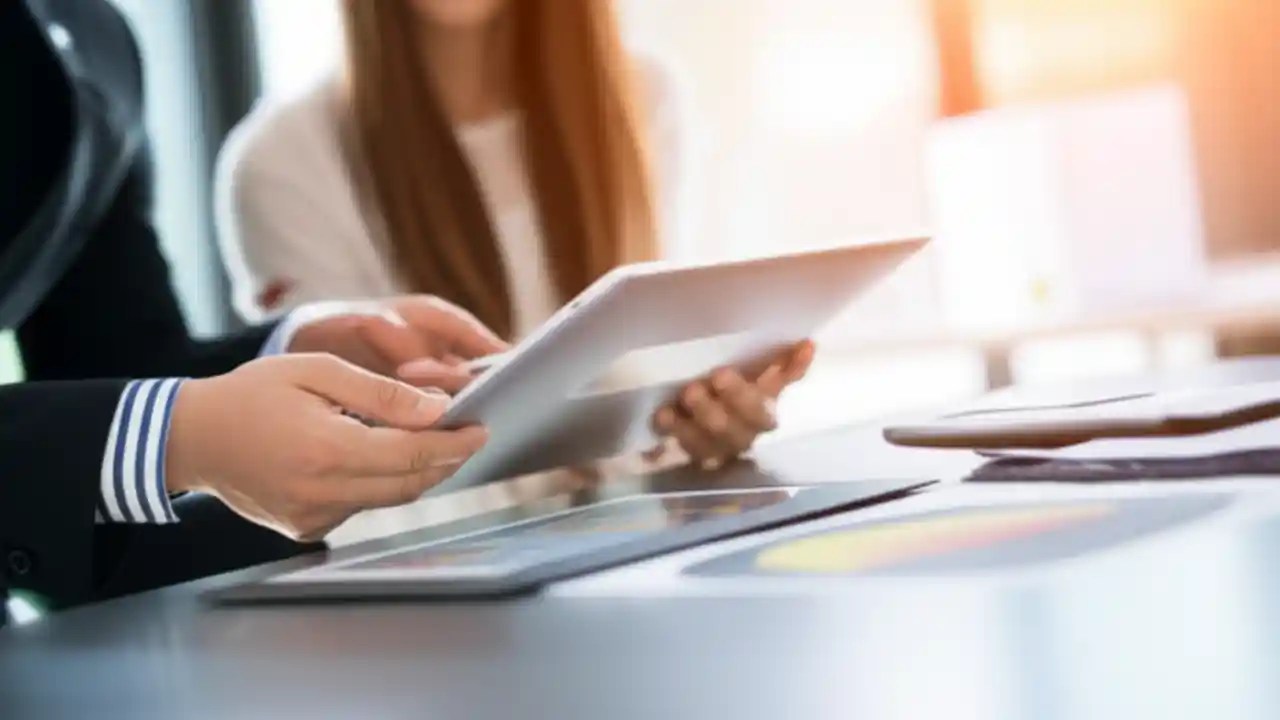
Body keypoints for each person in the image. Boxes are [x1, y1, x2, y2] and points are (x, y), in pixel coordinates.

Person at [0, 0, 512, 622]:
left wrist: (304, 345)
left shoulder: (92, 35)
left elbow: (119, 368)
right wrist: (177, 435)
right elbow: (145, 423)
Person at [217, 0, 816, 471]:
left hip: (634, 540)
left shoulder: (644, 95)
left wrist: (705, 422)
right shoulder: (284, 159)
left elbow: (657, 371)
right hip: (434, 582)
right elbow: (329, 457)